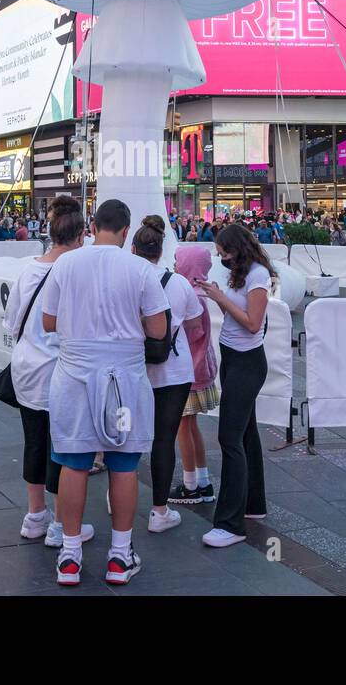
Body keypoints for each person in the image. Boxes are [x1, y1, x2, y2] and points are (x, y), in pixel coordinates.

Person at [40, 199, 170, 586]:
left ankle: (69, 555)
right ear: (127, 231)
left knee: (73, 462)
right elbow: (159, 331)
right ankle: (119, 555)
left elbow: (48, 321)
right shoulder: (140, 269)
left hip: (74, 377)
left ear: (92, 226)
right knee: (124, 462)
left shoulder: (66, 263)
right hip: (124, 380)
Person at [5, 196, 87, 548]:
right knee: (63, 447)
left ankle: (35, 516)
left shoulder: (28, 270)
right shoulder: (78, 273)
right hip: (62, 370)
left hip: (26, 368)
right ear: (82, 235)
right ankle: (61, 526)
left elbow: (11, 321)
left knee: (35, 441)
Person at [193, 224, 272, 547]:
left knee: (230, 437)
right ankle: (254, 504)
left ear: (237, 249)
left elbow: (253, 324)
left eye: (223, 252)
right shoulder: (240, 273)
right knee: (246, 432)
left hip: (248, 363)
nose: (219, 256)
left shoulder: (257, 275)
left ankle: (230, 523)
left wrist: (220, 298)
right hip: (233, 358)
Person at [131, 215, 205, 535]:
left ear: (133, 248)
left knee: (125, 438)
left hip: (131, 368)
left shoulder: (125, 280)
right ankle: (159, 511)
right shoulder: (179, 283)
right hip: (173, 371)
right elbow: (194, 325)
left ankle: (115, 498)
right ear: (161, 251)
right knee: (164, 439)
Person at [166, 246, 219, 505]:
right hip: (201, 370)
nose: (175, 266)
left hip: (190, 371)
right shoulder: (200, 292)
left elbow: (190, 334)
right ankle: (203, 480)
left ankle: (190, 485)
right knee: (191, 426)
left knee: (182, 427)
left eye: (178, 262)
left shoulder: (191, 296)